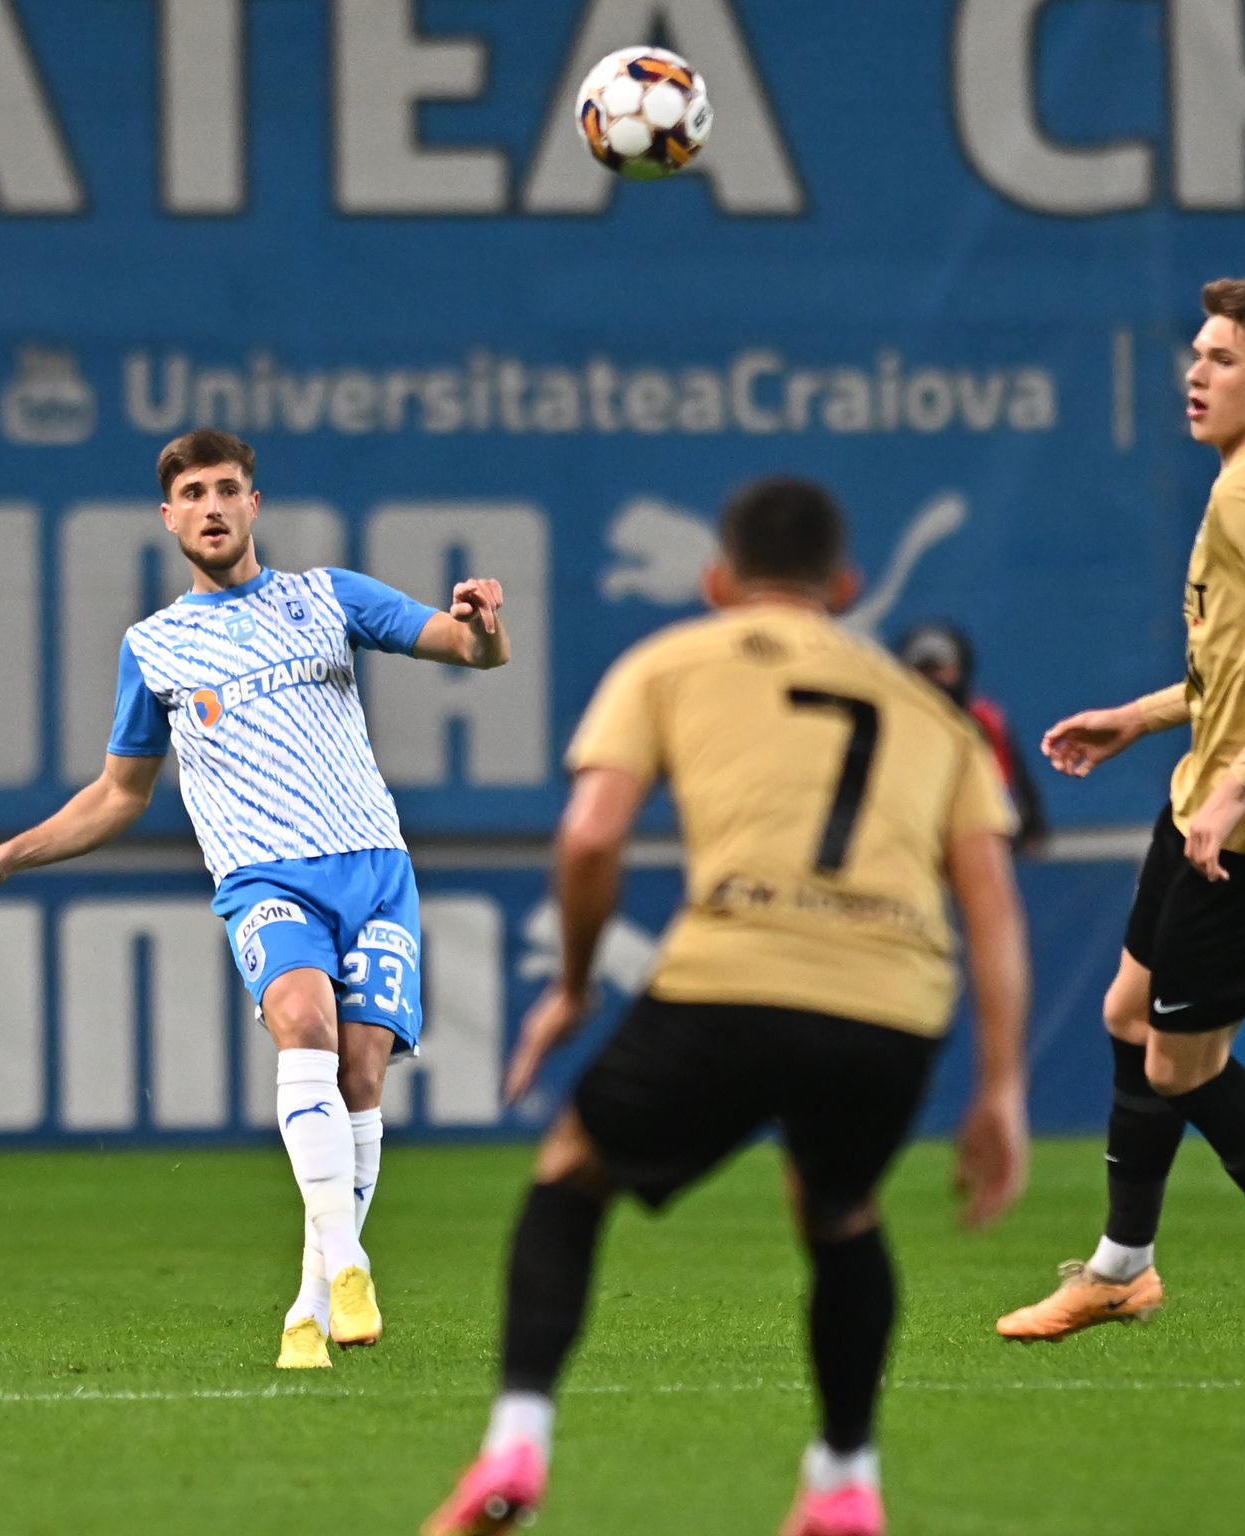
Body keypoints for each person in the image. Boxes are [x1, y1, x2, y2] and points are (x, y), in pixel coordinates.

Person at [424, 476, 1030, 1536]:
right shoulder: (933, 713)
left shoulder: (668, 662)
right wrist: (1002, 1088)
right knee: (839, 1209)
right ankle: (844, 1479)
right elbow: (993, 913)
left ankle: (514, 1442)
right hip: (890, 1004)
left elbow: (590, 837)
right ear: (843, 588)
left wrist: (570, 991)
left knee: (573, 1167)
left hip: (731, 981)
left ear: (715, 580)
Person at [0, 428, 510, 1371]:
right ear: (167, 518)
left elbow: (465, 650)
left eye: (228, 489)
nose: (211, 506)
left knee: (363, 1075)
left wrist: (484, 621)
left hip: (373, 867)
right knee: (305, 1023)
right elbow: (120, 794)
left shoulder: (326, 597)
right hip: (265, 876)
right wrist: (8, 855)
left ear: (255, 505)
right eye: (193, 493)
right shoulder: (155, 647)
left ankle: (309, 1307)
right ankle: (348, 1258)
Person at [993, 279, 1245, 1376]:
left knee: (1176, 1065)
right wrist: (1145, 716)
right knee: (1128, 1013)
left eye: (1221, 358)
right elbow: (1244, 662)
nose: (1195, 373)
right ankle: (1120, 1269)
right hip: (1201, 801)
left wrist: (1233, 788)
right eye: (1197, 354)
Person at [897, 621, 1050, 855]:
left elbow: (1018, 789)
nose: (931, 680)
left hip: (983, 845)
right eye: (922, 670)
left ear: (960, 669)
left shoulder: (985, 721)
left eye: (938, 669)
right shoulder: (893, 725)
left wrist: (1030, 830)